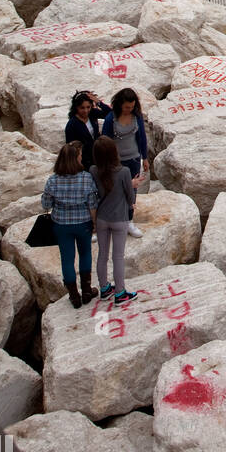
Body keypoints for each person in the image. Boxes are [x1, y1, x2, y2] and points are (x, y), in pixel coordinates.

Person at [41, 142, 100, 308]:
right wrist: (94, 223)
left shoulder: (52, 181)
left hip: (61, 224)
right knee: (85, 254)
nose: (82, 158)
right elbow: (92, 204)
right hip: (83, 223)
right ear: (75, 159)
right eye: (80, 156)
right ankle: (87, 290)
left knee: (67, 259)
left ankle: (74, 296)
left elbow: (46, 203)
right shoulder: (86, 178)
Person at [90, 136, 140, 305]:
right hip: (119, 218)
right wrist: (132, 186)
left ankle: (104, 288)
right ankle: (120, 293)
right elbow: (130, 196)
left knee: (102, 255)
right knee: (118, 256)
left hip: (102, 218)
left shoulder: (93, 171)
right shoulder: (124, 172)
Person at [101, 88, 149, 238]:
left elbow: (141, 137)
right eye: (127, 107)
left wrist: (145, 157)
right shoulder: (111, 119)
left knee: (131, 190)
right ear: (120, 104)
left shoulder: (136, 117)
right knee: (114, 190)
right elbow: (105, 142)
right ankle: (114, 220)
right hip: (116, 161)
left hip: (133, 159)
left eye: (132, 106)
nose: (130, 109)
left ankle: (129, 220)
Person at [65, 90, 111, 171]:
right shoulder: (72, 125)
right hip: (84, 162)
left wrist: (98, 102)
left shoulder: (92, 114)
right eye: (82, 108)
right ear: (76, 107)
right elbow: (71, 147)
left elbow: (110, 114)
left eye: (88, 107)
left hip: (98, 157)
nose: (86, 111)